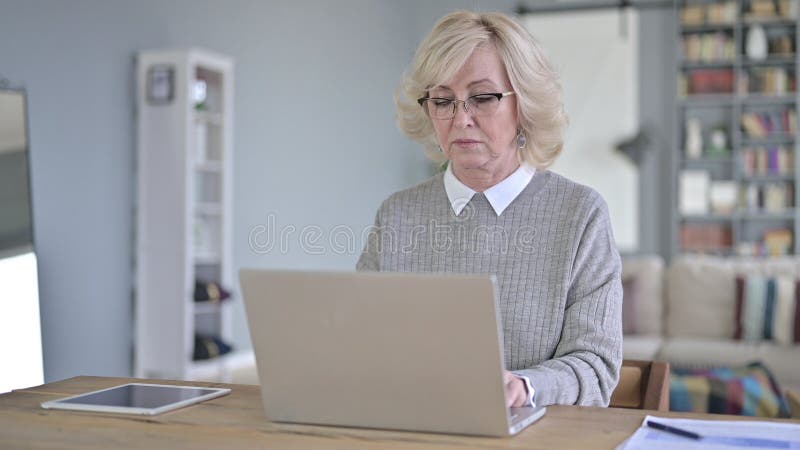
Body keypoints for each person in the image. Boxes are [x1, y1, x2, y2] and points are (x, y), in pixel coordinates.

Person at [357, 10, 622, 408]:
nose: (460, 119)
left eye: (482, 98)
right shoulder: (397, 214)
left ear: (524, 106)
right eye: (443, 100)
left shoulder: (581, 215)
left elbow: (596, 367)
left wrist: (525, 387)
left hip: (536, 431)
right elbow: (361, 344)